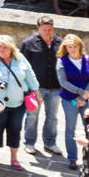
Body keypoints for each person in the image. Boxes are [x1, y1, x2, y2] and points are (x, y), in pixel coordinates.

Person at [0, 35, 39, 170]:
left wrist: (37, 94)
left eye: (5, 47)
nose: (1, 50)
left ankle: (14, 158)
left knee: (15, 129)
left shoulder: (20, 59)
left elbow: (30, 76)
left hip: (17, 103)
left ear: (11, 49)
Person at [21, 16, 63, 158]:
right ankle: (29, 142)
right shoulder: (29, 43)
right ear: (38, 28)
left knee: (52, 117)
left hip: (55, 87)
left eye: (50, 29)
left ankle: (50, 142)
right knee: (32, 115)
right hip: (36, 88)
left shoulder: (60, 43)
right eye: (44, 29)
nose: (47, 32)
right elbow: (23, 67)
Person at [57, 34, 89, 171]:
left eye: (75, 46)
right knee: (70, 129)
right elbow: (63, 82)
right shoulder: (62, 61)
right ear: (66, 48)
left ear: (80, 46)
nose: (73, 49)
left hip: (86, 101)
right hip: (70, 101)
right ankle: (72, 158)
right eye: (70, 47)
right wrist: (81, 93)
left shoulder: (88, 60)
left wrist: (84, 96)